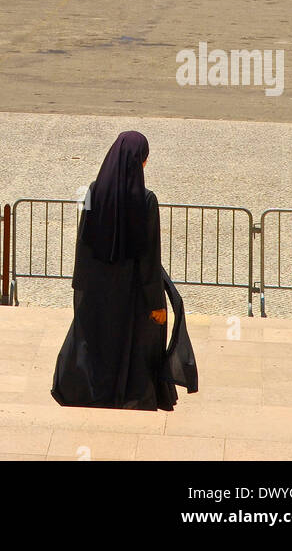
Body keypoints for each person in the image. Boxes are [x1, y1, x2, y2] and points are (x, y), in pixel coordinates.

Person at [51, 131, 198, 411]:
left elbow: (83, 243)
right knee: (131, 345)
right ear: (139, 161)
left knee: (98, 342)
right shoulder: (146, 201)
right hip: (131, 292)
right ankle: (130, 395)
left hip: (98, 288)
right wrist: (156, 302)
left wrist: (81, 288)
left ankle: (93, 391)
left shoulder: (93, 191)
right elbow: (149, 256)